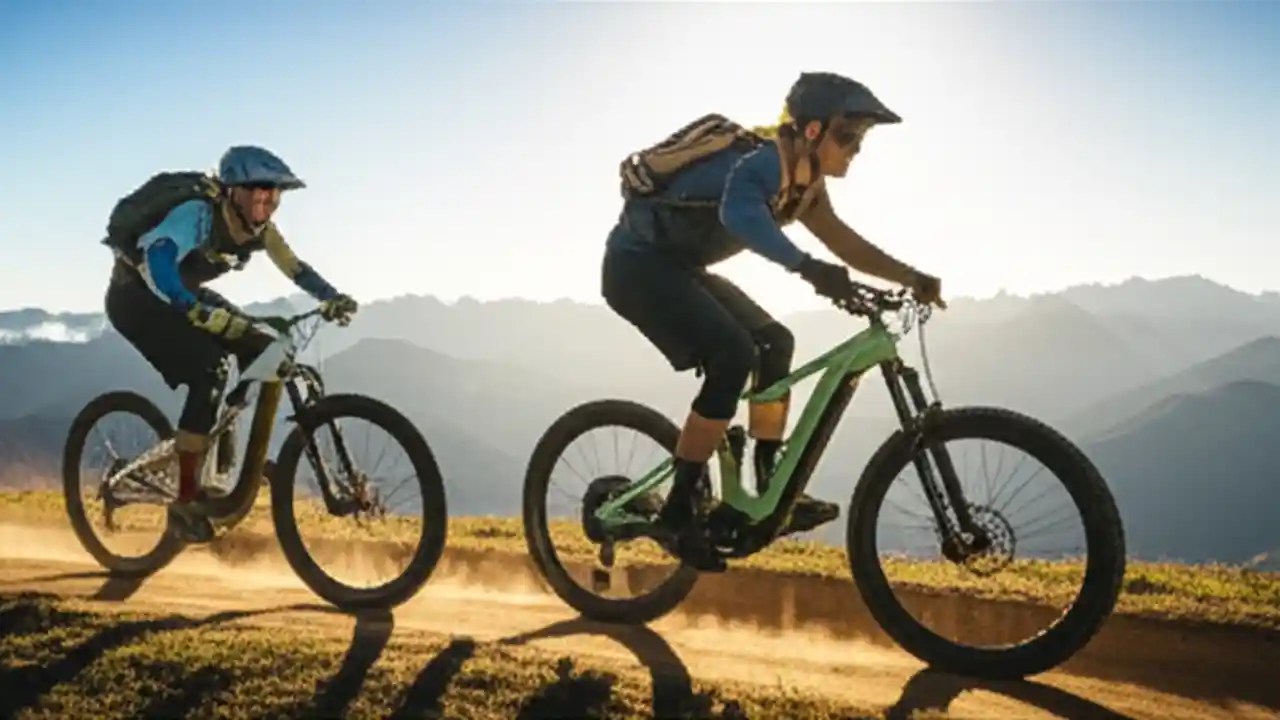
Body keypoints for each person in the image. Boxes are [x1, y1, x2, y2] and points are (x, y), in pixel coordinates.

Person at [601, 71, 945, 570]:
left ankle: (768, 488)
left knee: (775, 341)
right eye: (847, 136)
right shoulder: (758, 163)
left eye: (861, 140)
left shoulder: (805, 187)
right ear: (811, 131)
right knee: (733, 355)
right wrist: (808, 269)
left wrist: (912, 277)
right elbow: (740, 218)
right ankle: (676, 513)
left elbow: (844, 244)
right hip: (636, 268)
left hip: (678, 269)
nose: (855, 150)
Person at [102, 145, 358, 542]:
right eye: (257, 189)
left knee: (258, 343)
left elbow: (296, 269)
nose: (266, 199)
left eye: (274, 192)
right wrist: (191, 309)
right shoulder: (197, 216)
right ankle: (186, 498)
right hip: (136, 299)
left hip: (183, 293)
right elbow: (159, 259)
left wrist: (331, 297)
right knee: (211, 369)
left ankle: (225, 463)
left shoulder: (261, 231)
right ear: (233, 191)